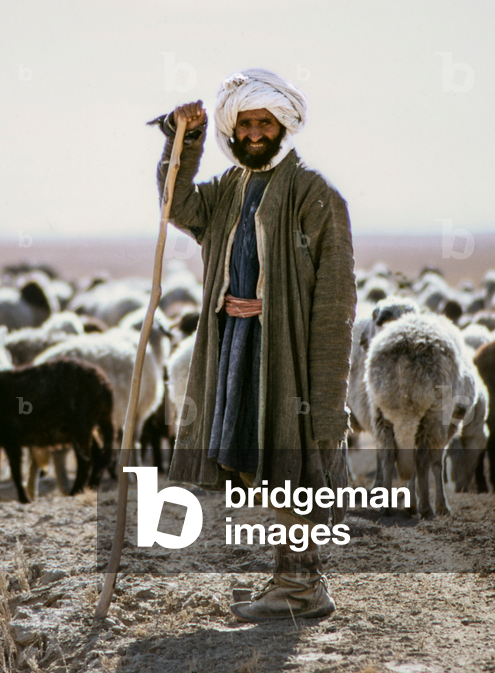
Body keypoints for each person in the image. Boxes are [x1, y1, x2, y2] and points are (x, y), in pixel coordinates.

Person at [152, 68, 356, 622]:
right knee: (253, 465)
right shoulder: (228, 190)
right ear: (234, 130)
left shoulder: (316, 196)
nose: (255, 131)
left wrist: (327, 391)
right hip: (234, 347)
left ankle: (300, 585)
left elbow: (336, 303)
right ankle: (294, 581)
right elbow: (177, 206)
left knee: (291, 463)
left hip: (286, 351)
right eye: (246, 123)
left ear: (282, 126)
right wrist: (182, 141)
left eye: (265, 121)